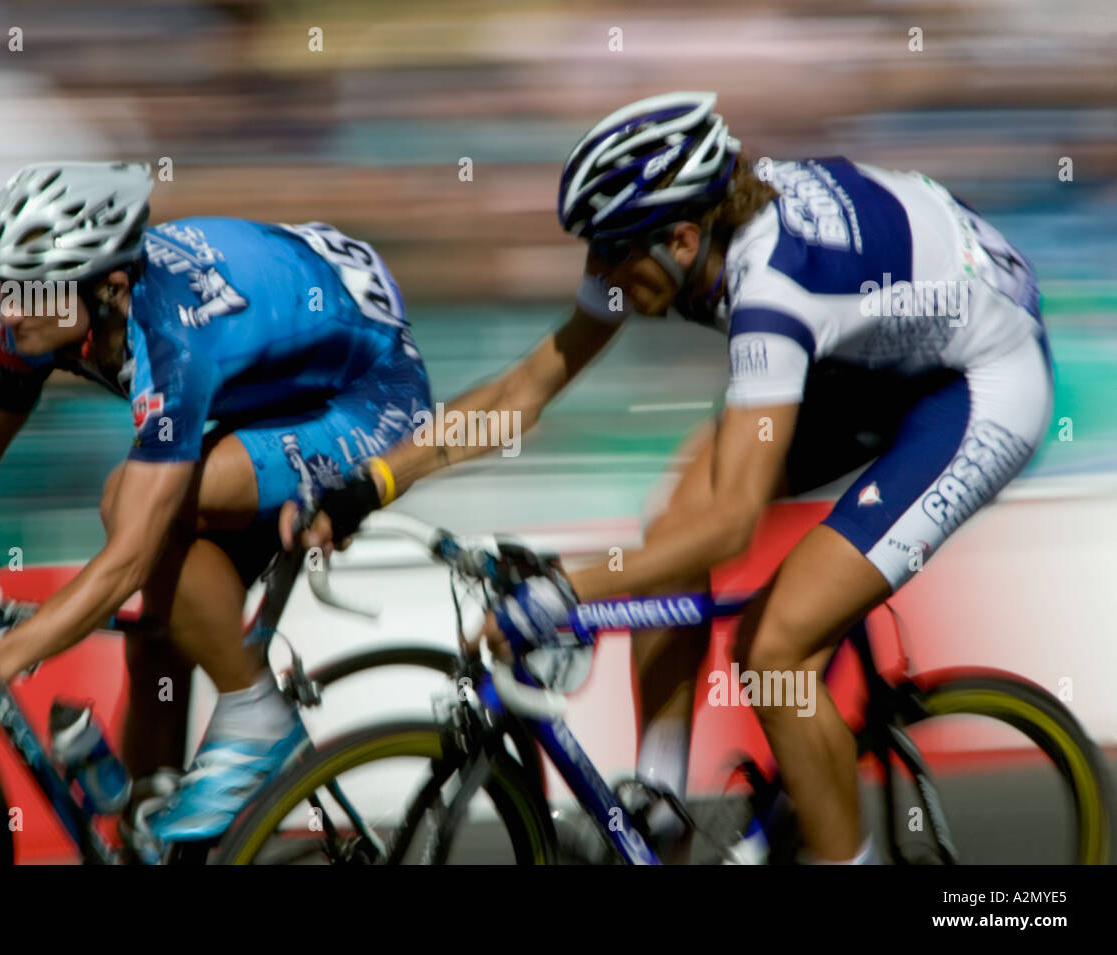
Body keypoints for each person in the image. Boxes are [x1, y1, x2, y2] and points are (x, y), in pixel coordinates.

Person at [286, 91, 1052, 863]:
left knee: (774, 652)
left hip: (980, 382)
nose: (598, 274)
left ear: (683, 240)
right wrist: (375, 481)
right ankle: (658, 804)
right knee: (672, 526)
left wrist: (564, 592)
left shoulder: (772, 294)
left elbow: (733, 525)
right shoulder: (672, 242)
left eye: (610, 252)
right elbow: (524, 392)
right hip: (879, 349)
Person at [0, 161, 431, 857]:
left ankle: (257, 712)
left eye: (30, 292)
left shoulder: (173, 339)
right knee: (156, 642)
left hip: (371, 401)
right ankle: (152, 831)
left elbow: (126, 556)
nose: (9, 311)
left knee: (133, 508)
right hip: (279, 380)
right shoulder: (53, 317)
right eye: (3, 287)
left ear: (108, 289)